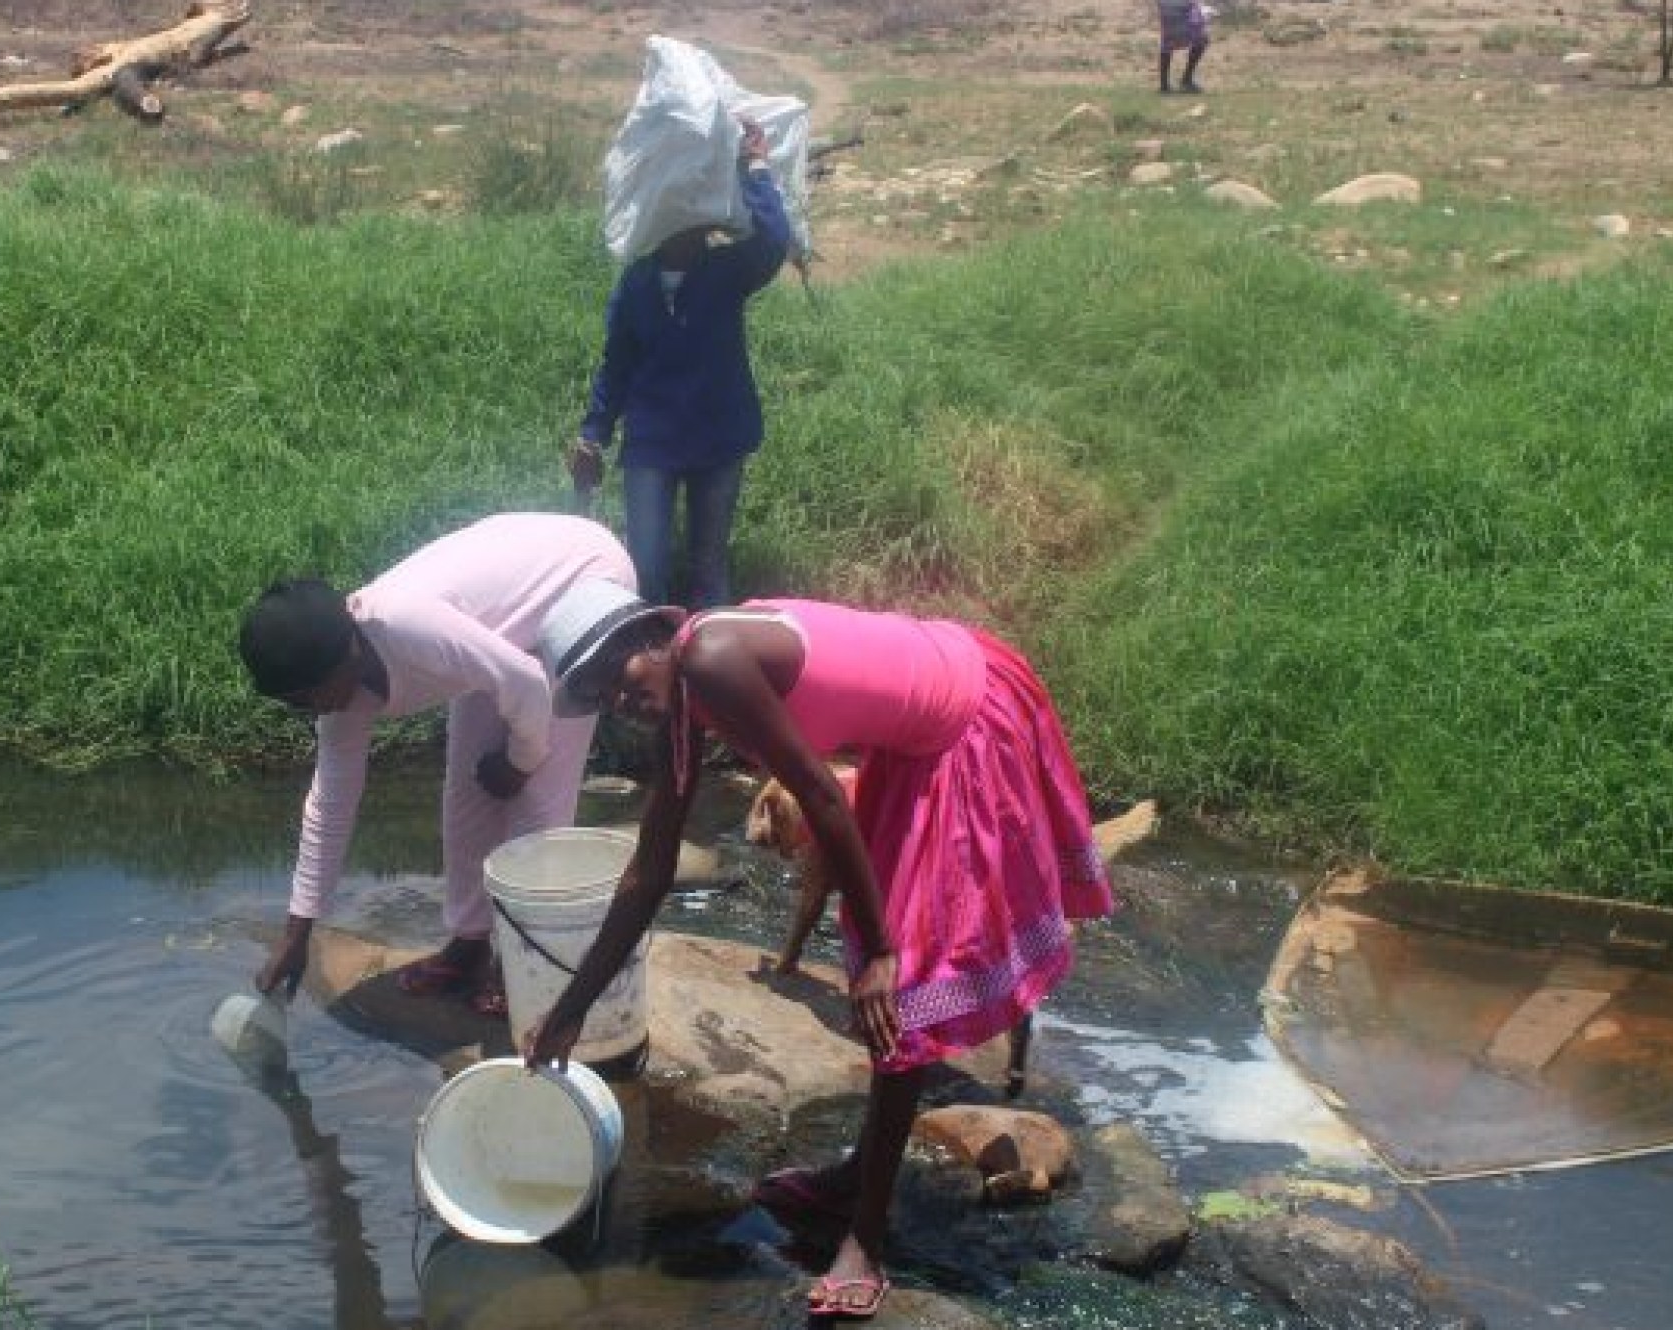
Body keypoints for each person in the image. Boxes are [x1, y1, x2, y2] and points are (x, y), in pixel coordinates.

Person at [526, 581, 1113, 1321]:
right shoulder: (685, 694)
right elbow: (650, 869)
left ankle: (865, 1239)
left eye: (620, 677)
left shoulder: (709, 657)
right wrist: (569, 1013)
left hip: (963, 717)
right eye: (602, 696)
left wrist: (879, 954)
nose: (620, 699)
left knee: (904, 988)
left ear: (650, 638)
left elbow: (821, 797)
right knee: (884, 958)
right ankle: (854, 1178)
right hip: (911, 732)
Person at [235, 513, 638, 1013]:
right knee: (467, 792)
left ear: (348, 654)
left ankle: (525, 964)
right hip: (500, 623)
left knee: (536, 795)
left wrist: (520, 759)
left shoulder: (407, 627)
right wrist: (297, 935)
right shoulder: (344, 695)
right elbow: (329, 807)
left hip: (577, 578)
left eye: (311, 694)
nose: (313, 709)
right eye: (296, 703)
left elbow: (528, 684)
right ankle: (470, 943)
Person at [566, 117, 791, 610]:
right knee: (644, 569)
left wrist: (754, 166)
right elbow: (617, 366)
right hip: (653, 443)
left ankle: (711, 673)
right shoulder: (636, 284)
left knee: (709, 569)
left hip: (718, 438)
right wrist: (593, 435)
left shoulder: (728, 270)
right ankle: (654, 671)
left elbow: (776, 240)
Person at [1157, 0, 1211, 94]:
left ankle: (1164, 84)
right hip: (1182, 10)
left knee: (1167, 43)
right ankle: (1187, 79)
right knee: (1202, 40)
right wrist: (1203, 18)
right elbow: (1196, 18)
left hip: (1166, 9)